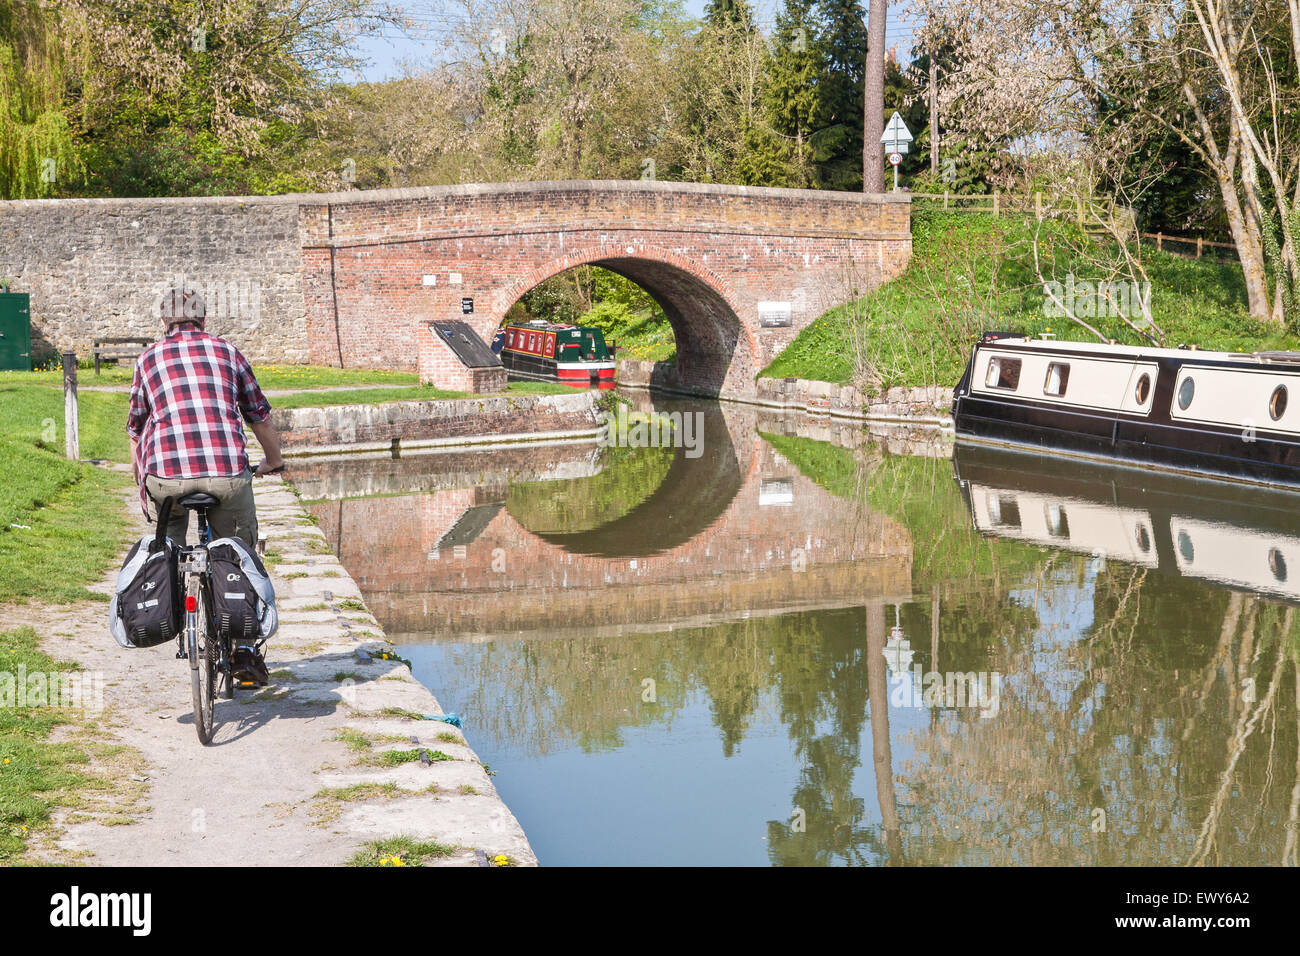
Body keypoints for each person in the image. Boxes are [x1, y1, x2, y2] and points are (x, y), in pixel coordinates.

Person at [126, 286, 285, 684]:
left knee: (169, 549)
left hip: (165, 478)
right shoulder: (227, 352)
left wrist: (141, 478)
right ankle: (245, 650)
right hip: (226, 475)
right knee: (239, 549)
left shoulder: (147, 359)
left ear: (164, 322)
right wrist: (274, 461)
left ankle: (177, 612)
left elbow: (136, 427)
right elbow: (258, 415)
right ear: (204, 320)